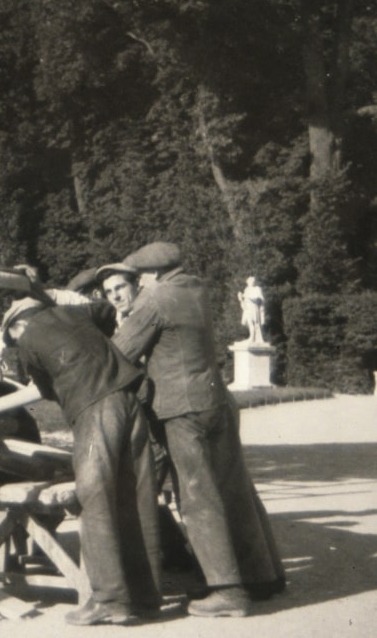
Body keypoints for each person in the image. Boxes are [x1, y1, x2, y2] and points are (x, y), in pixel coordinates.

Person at [112, 242, 285, 617]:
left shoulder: (155, 298)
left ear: (152, 274)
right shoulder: (195, 288)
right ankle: (261, 578)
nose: (136, 284)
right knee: (233, 488)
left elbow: (119, 353)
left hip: (181, 407)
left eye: (137, 277)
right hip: (216, 400)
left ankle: (228, 591)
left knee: (197, 496)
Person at [0, 297, 161, 626]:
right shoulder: (74, 313)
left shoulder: (28, 340)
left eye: (12, 339)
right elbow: (104, 309)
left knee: (95, 497)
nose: (16, 345)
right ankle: (145, 596)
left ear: (17, 327)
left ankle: (110, 600)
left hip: (95, 408)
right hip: (130, 400)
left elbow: (45, 390)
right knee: (137, 496)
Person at [96, 263, 139, 330]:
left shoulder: (150, 310)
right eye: (109, 292)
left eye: (119, 288)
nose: (115, 296)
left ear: (136, 284)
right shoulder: (111, 325)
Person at [238, 277, 266, 344]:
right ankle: (252, 337)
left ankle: (252, 337)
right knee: (248, 322)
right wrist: (240, 298)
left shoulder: (257, 289)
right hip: (247, 308)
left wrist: (250, 298)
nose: (251, 283)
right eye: (250, 281)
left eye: (253, 281)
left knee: (253, 322)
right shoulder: (246, 289)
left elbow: (261, 299)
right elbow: (243, 302)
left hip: (253, 307)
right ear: (247, 282)